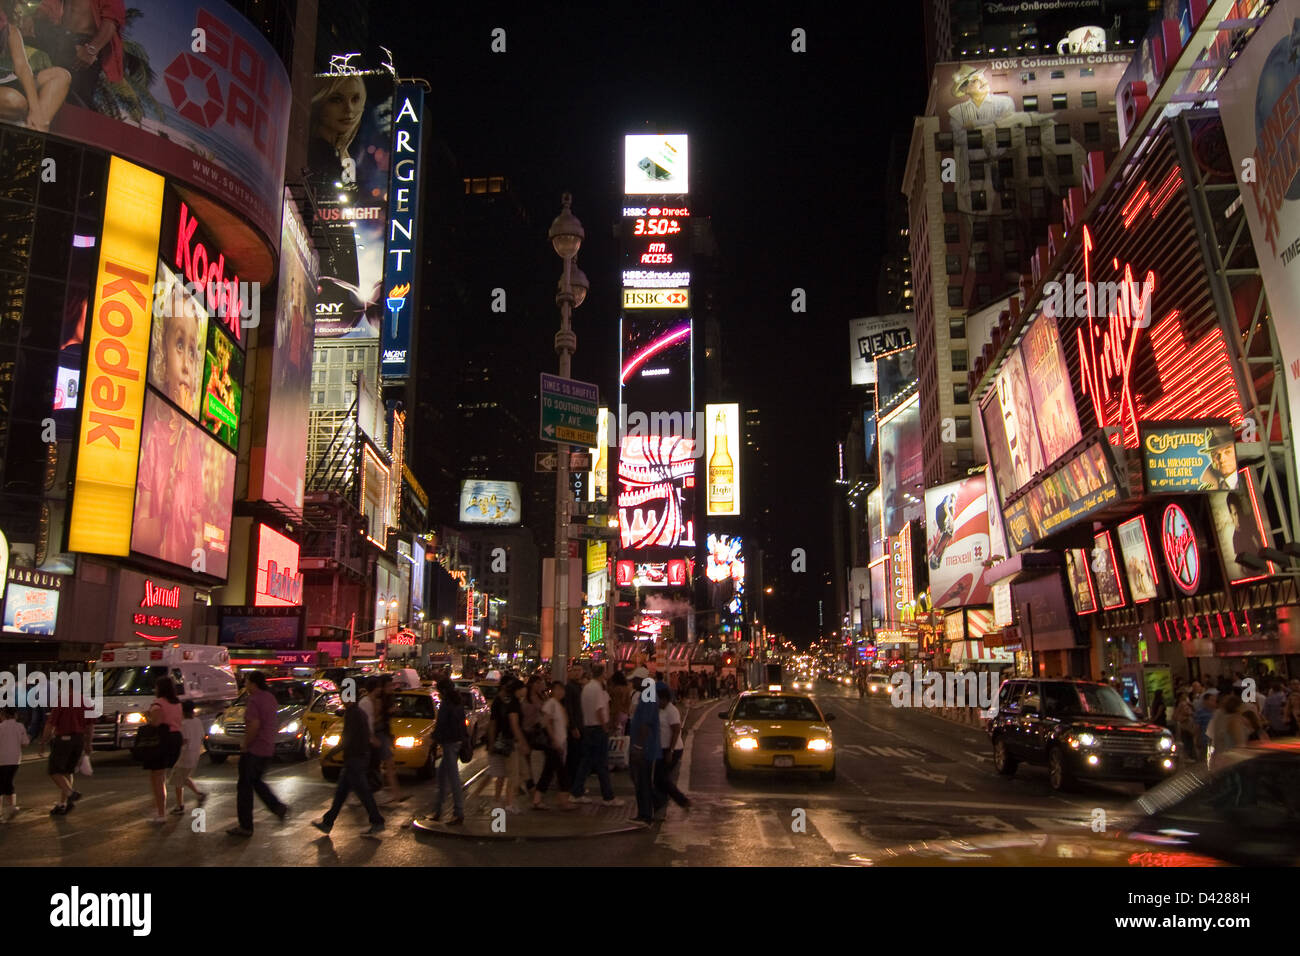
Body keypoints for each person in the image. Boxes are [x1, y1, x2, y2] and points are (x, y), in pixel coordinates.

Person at [312, 684, 385, 838]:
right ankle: (328, 822)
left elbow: (347, 739)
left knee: (363, 792)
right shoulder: (358, 712)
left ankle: (377, 821)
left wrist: (330, 754)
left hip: (355, 759)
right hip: (357, 757)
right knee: (341, 793)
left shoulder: (353, 714)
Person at [29, 0, 124, 110]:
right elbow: (48, 6)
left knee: (76, 98)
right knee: (46, 88)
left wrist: (92, 49)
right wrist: (33, 18)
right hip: (59, 39)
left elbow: (111, 20)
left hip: (83, 45)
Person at [227, 671, 288, 837]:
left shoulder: (254, 699)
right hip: (267, 747)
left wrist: (245, 744)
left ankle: (245, 826)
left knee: (245, 787)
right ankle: (276, 806)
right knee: (256, 781)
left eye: (246, 681)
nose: (245, 684)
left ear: (253, 683)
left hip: (255, 748)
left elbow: (254, 724)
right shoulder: (270, 698)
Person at [0, 2, 69, 132]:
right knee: (15, 101)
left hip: (7, 79)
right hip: (7, 93)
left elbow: (23, 68)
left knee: (61, 75)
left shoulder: (9, 27)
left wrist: (35, 110)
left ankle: (36, 130)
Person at [568, 664, 623, 807]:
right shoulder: (597, 688)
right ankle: (608, 797)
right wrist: (605, 726)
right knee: (601, 763)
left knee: (586, 762)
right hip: (597, 729)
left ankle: (576, 792)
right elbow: (599, 710)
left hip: (587, 728)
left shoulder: (586, 687)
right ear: (602, 673)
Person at [142, 676, 184, 824]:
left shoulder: (158, 704)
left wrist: (148, 716)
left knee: (157, 777)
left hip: (162, 740)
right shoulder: (177, 703)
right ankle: (164, 810)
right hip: (176, 738)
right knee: (164, 774)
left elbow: (156, 722)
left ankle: (161, 813)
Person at [42, 699, 90, 815]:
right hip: (79, 739)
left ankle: (70, 793)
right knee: (68, 771)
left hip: (63, 739)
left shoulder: (62, 701)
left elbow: (50, 723)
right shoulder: (86, 702)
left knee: (54, 770)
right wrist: (89, 743)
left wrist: (43, 741)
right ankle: (64, 803)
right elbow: (90, 724)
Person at [429, 677, 466, 825]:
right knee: (442, 775)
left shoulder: (447, 703)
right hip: (456, 741)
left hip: (449, 742)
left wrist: (434, 738)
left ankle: (458, 812)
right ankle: (437, 810)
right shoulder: (458, 701)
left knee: (453, 777)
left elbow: (441, 724)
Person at [627, 676, 662, 824]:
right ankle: (651, 807)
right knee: (642, 780)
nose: (633, 683)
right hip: (645, 746)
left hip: (645, 747)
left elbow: (645, 723)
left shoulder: (648, 696)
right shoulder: (646, 695)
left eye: (636, 680)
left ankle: (645, 814)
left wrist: (639, 745)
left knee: (642, 781)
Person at [535, 680, 571, 809]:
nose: (560, 692)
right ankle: (563, 800)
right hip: (553, 744)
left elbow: (565, 723)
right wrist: (554, 739)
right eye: (558, 689)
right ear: (552, 691)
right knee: (561, 773)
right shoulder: (551, 704)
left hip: (560, 742)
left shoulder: (559, 704)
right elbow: (546, 723)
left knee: (549, 772)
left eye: (562, 690)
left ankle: (537, 799)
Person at [654, 683, 689, 814]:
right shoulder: (659, 710)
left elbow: (676, 730)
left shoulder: (671, 710)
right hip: (661, 748)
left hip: (672, 749)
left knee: (662, 777)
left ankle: (681, 800)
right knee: (659, 778)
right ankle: (660, 803)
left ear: (664, 699)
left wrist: (670, 750)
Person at [169, 700, 207, 815]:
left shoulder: (184, 724)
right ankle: (199, 794)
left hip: (185, 755)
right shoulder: (197, 721)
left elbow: (184, 740)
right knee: (184, 777)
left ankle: (180, 805)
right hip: (196, 753)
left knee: (177, 781)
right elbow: (202, 736)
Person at [500, 677, 529, 813]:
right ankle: (509, 803)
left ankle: (512, 800)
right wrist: (522, 742)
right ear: (518, 690)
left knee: (523, 773)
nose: (525, 690)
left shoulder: (516, 703)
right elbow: (514, 725)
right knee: (513, 774)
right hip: (511, 743)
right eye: (523, 687)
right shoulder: (513, 705)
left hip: (514, 742)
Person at [1206, 693, 1249, 771]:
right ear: (1239, 707)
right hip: (1232, 760)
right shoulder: (1235, 721)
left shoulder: (1221, 718)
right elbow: (1240, 744)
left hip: (1221, 757)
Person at [0, 706, 29, 821]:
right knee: (9, 782)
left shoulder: (0, 727)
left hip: (1, 760)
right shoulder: (20, 726)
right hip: (15, 760)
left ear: (3, 715)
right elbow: (25, 743)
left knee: (1, 784)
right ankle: (11, 807)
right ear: (15, 715)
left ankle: (2, 811)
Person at [1193, 690, 1218, 759]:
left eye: (1214, 700)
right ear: (1205, 701)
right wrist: (1197, 739)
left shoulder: (1218, 712)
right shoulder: (1200, 713)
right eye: (1212, 700)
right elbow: (1197, 727)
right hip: (1206, 740)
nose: (1214, 702)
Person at [1173, 691, 1197, 761]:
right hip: (1186, 725)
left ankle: (1190, 756)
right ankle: (1189, 756)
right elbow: (1187, 712)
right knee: (1188, 741)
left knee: (1188, 741)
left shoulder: (1185, 704)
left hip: (1187, 725)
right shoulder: (1183, 704)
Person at [608, 670, 631, 738]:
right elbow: (629, 702)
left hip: (617, 714)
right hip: (625, 713)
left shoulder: (617, 689)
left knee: (615, 736)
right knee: (621, 735)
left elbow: (616, 705)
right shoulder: (626, 688)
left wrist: (613, 719)